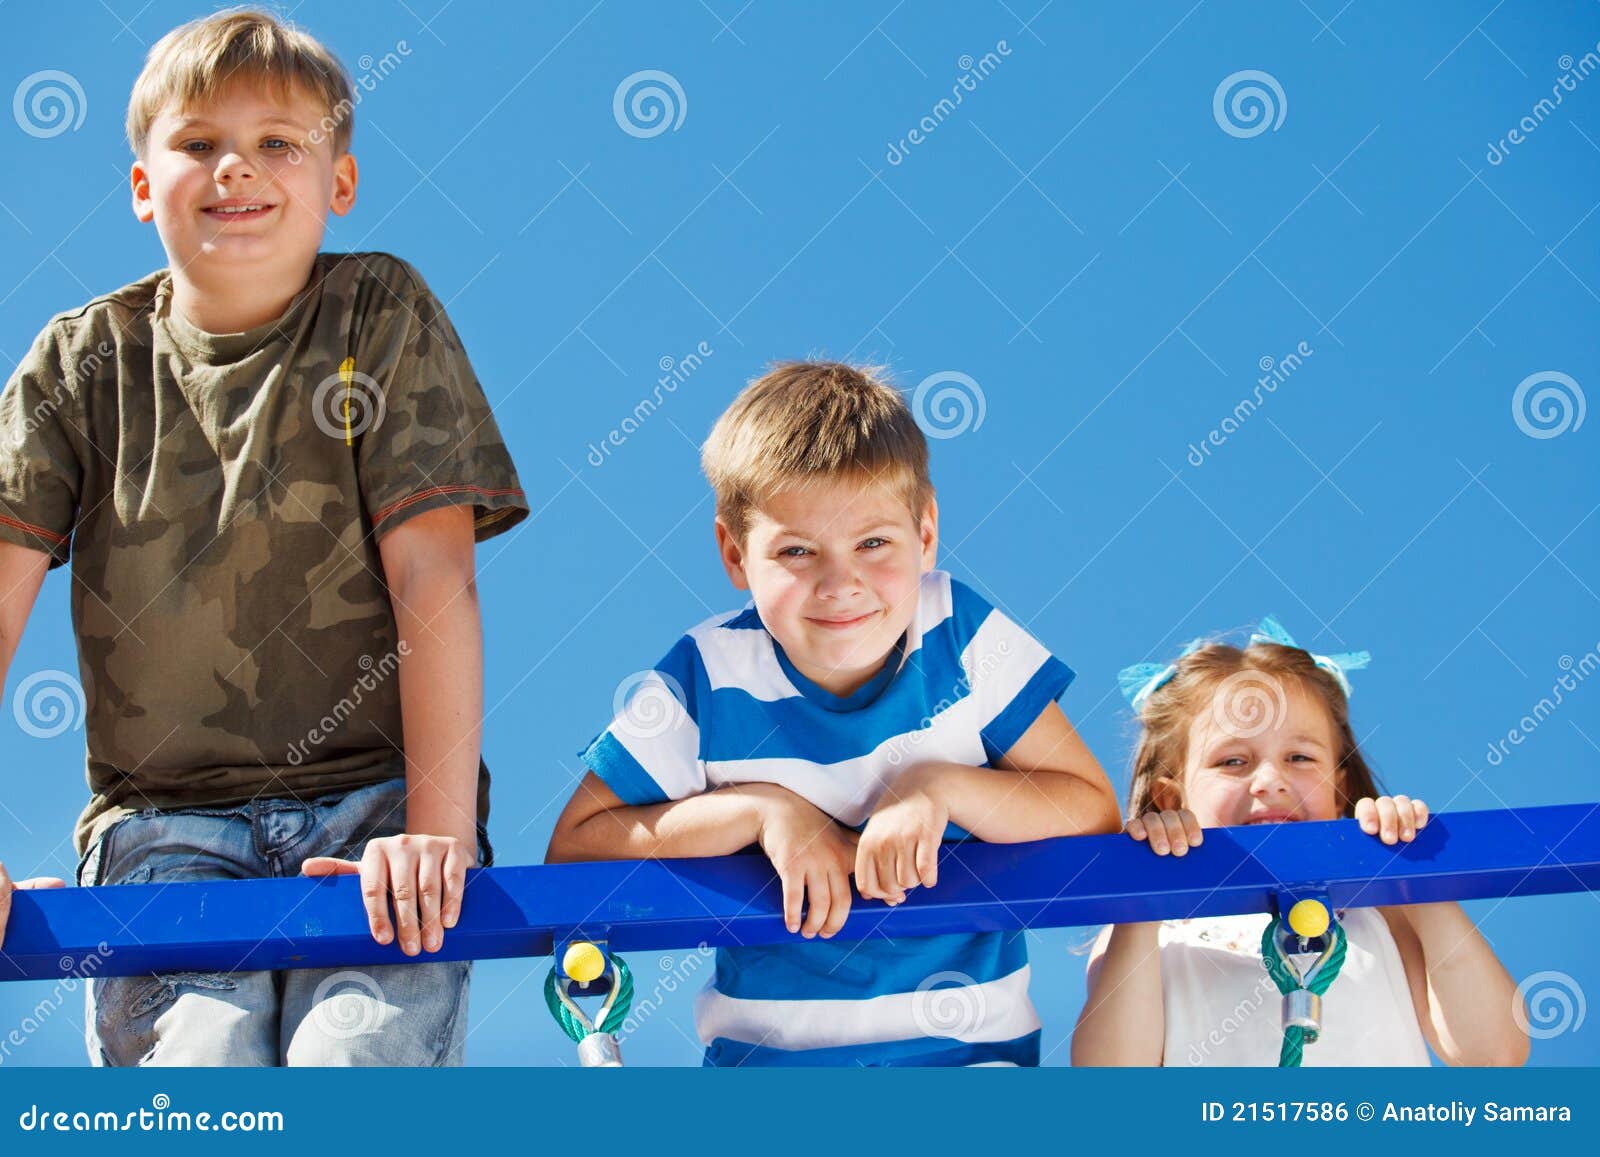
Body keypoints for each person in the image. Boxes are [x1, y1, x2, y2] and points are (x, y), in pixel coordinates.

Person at [0, 9, 527, 1065]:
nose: (236, 166)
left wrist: (435, 833)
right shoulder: (81, 363)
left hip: (375, 808)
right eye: (198, 143)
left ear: (339, 183)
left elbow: (432, 572)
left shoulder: (378, 314)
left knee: (352, 1057)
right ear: (145, 185)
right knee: (201, 1059)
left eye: (278, 141)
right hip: (166, 822)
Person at [546, 361, 1121, 1066]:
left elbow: (1091, 811)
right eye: (796, 551)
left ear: (927, 531)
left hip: (970, 1063)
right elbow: (575, 850)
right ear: (734, 553)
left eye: (873, 543)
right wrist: (761, 811)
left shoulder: (961, 636)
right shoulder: (706, 674)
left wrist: (937, 788)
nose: (841, 583)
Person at [1072, 618, 1529, 1066]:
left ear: (1340, 789)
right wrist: (1144, 904)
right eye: (1233, 761)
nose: (1270, 781)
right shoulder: (1158, 927)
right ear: (1170, 797)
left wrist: (1414, 870)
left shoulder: (1381, 910)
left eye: (1299, 757)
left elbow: (1493, 1054)